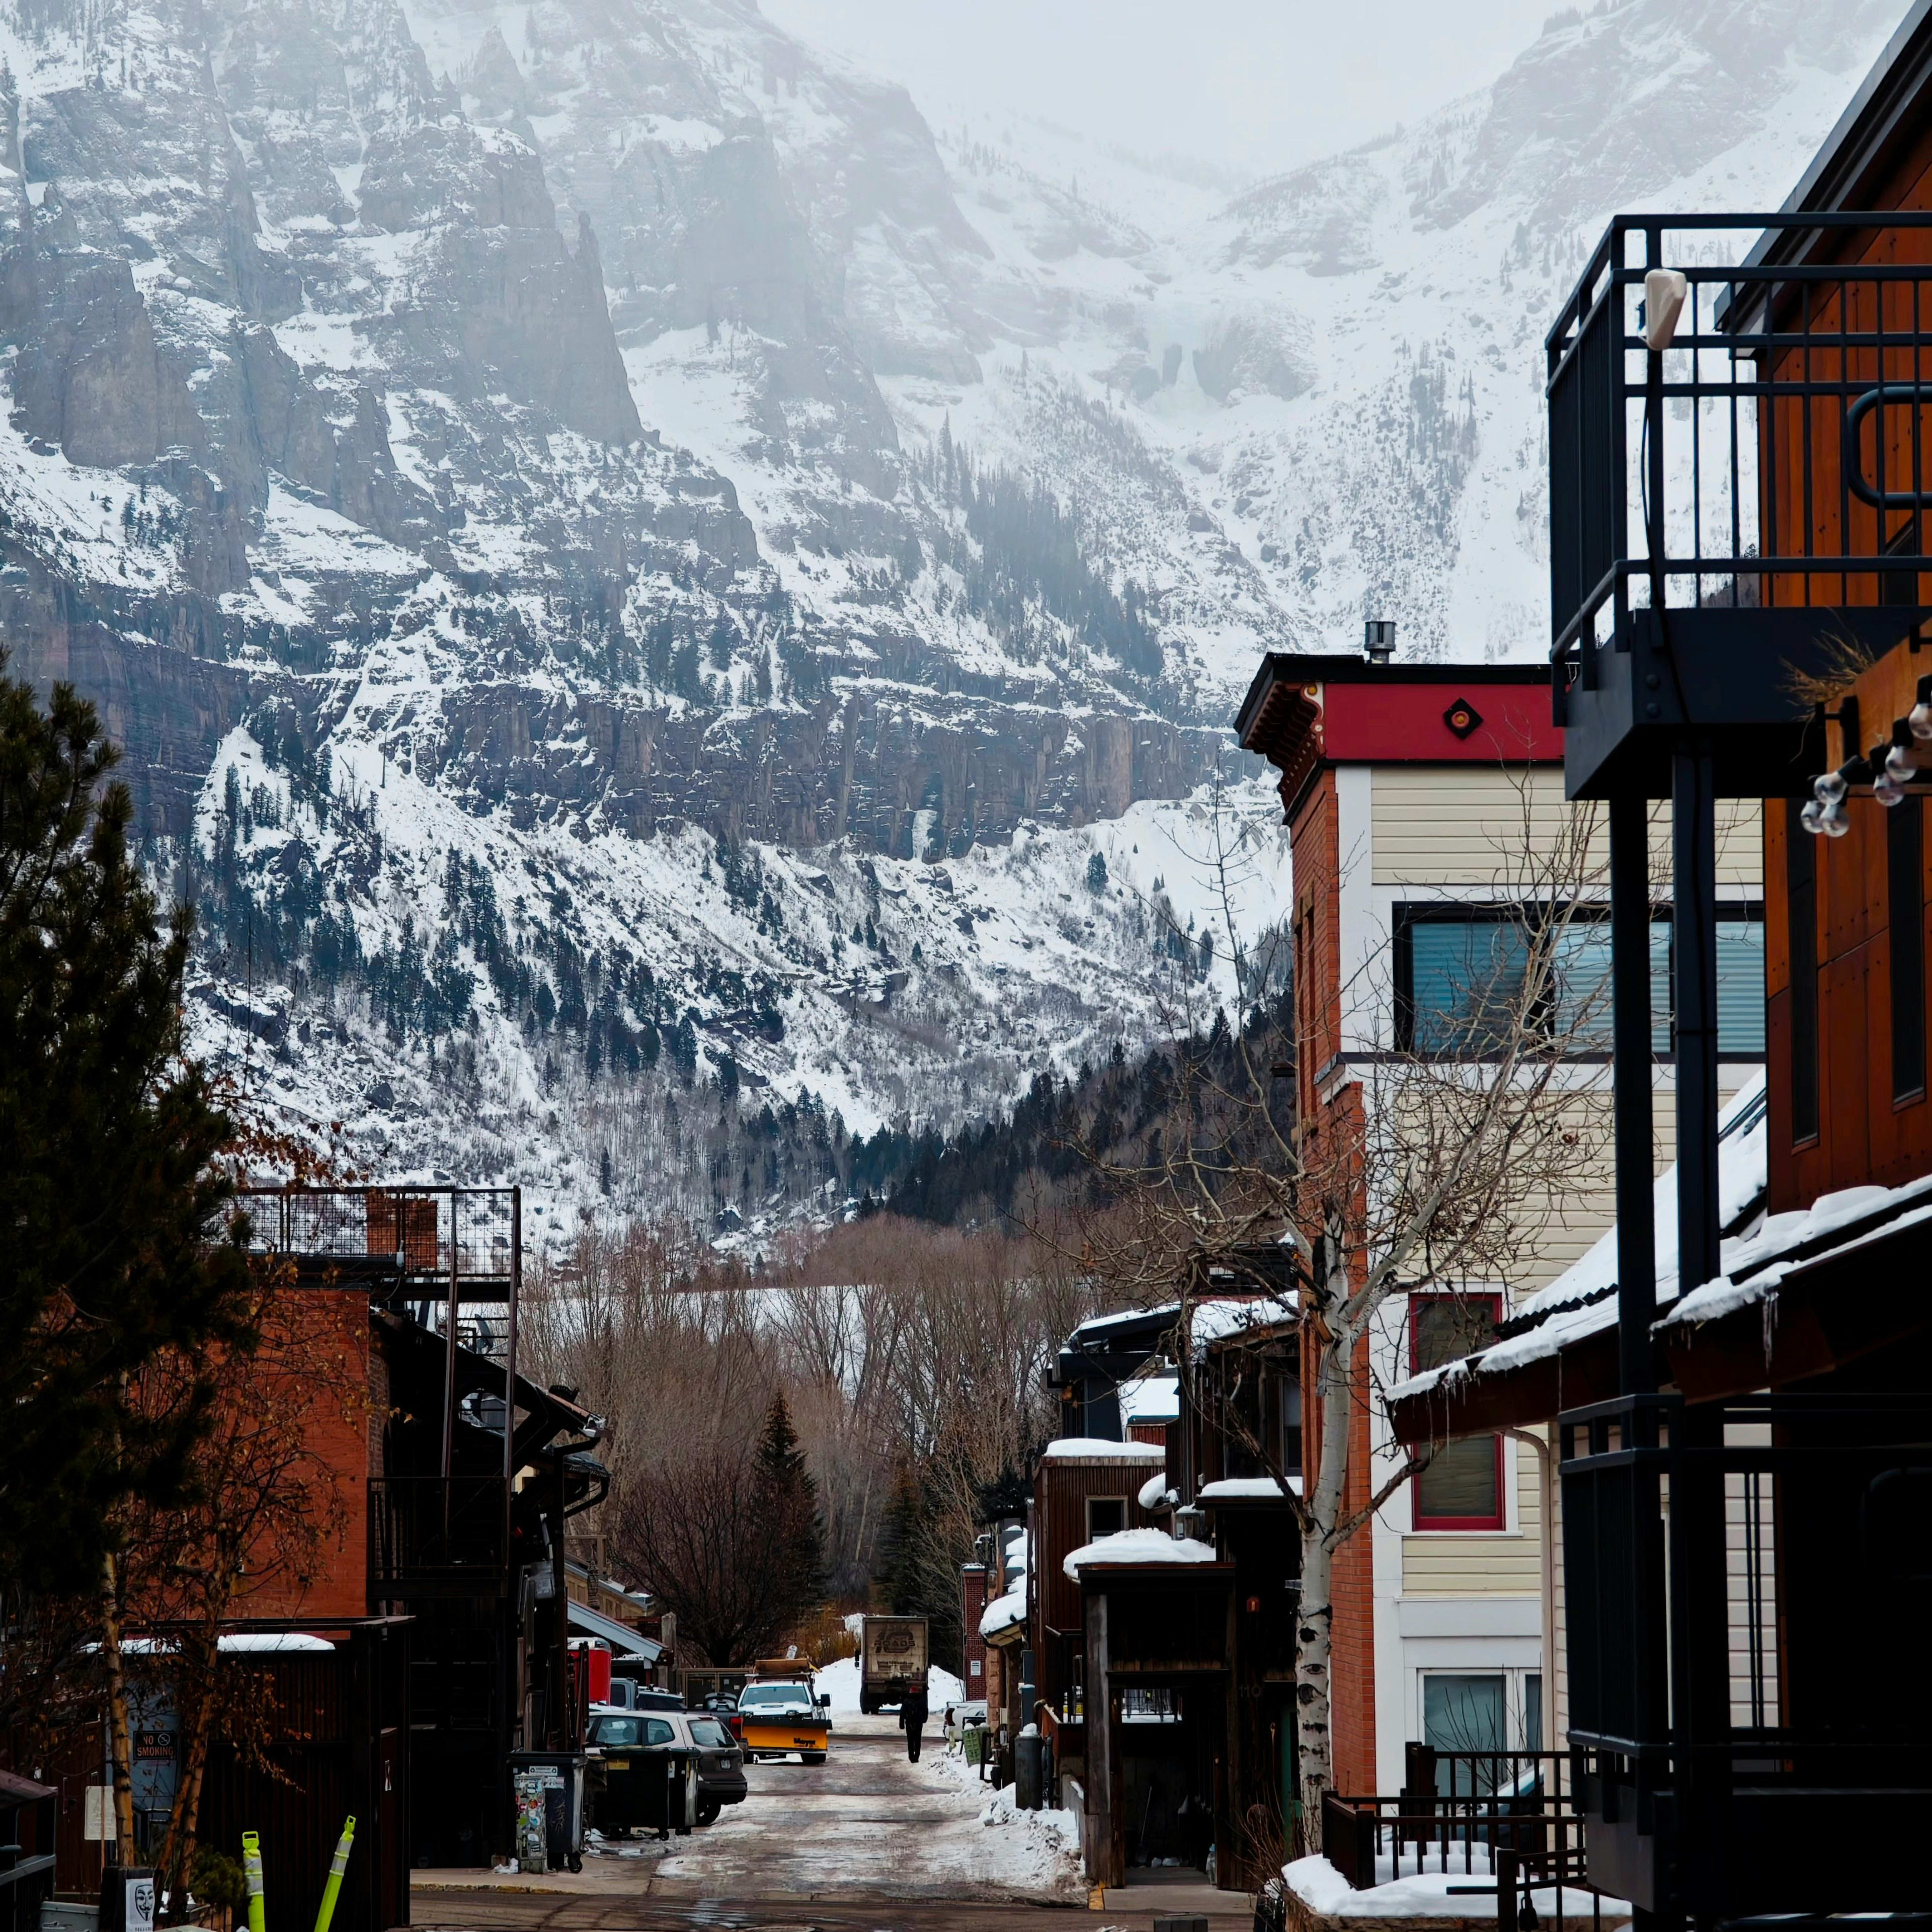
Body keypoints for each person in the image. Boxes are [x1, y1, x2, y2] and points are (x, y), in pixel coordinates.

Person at [899, 1678, 930, 1762]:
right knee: (917, 1740)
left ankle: (911, 1756)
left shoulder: (906, 1701)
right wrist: (924, 1720)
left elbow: (902, 1713)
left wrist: (902, 1724)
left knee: (910, 1740)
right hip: (919, 1723)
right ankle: (917, 1756)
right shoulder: (921, 1701)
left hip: (909, 1723)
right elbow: (925, 1710)